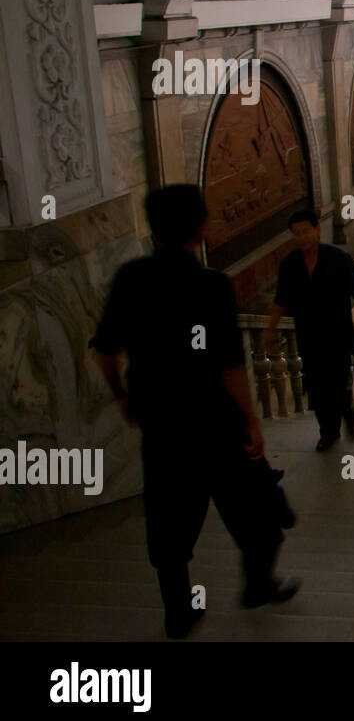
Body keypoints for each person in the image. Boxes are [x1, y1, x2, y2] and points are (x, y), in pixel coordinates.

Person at [92, 185, 298, 640]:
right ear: (201, 227)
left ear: (153, 228)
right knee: (258, 512)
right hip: (216, 424)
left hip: (162, 426)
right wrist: (251, 421)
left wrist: (123, 396)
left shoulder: (130, 279)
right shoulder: (210, 286)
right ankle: (258, 585)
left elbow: (106, 351)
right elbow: (227, 366)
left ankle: (179, 613)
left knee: (168, 524)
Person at [265, 210, 354, 452]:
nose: (301, 237)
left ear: (317, 230)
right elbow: (280, 300)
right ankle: (328, 432)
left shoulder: (338, 257)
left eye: (305, 231)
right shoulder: (289, 265)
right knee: (316, 386)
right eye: (296, 233)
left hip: (338, 333)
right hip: (309, 335)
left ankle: (347, 413)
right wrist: (270, 329)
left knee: (338, 380)